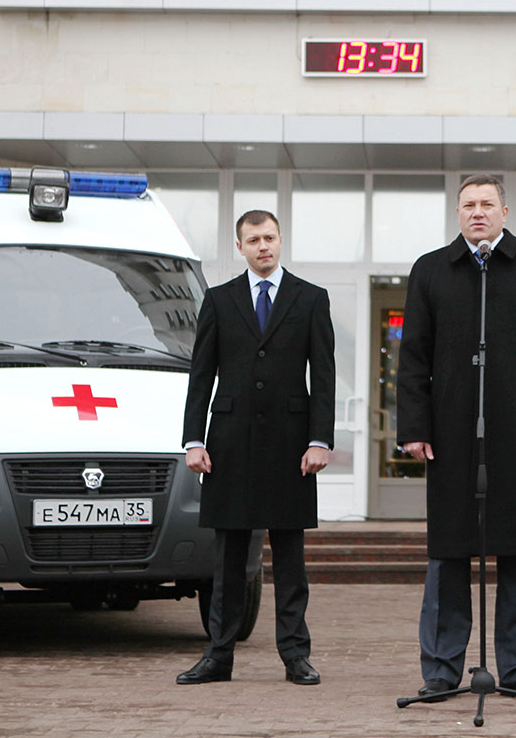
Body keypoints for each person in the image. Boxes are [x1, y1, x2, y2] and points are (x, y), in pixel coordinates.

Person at [397, 174, 516, 701]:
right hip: (451, 436)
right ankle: (441, 669)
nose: (477, 212)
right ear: (458, 213)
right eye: (468, 205)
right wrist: (414, 428)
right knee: (448, 556)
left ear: (505, 211)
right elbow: (413, 358)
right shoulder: (432, 270)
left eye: (486, 204)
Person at [176, 210, 335, 686]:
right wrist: (193, 440)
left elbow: (324, 374)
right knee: (227, 562)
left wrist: (319, 439)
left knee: (290, 561)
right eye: (253, 240)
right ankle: (218, 656)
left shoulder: (311, 298)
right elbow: (201, 373)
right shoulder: (219, 300)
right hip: (229, 444)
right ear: (240, 246)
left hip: (291, 446)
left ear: (280, 240)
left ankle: (296, 656)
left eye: (269, 237)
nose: (263, 246)